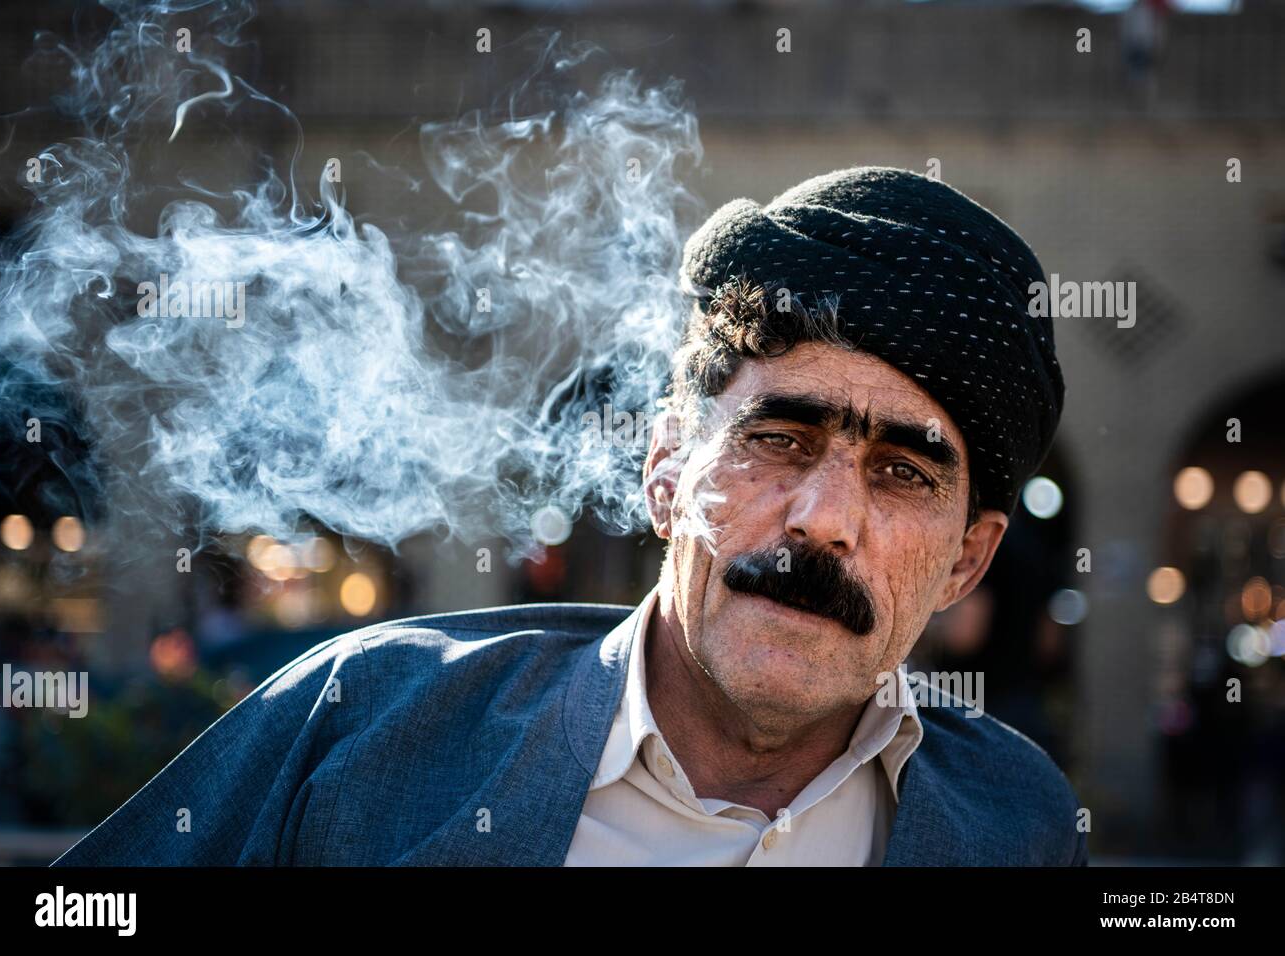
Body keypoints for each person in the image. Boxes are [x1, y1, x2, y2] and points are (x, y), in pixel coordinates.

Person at [53, 166, 1084, 866]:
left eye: (902, 473)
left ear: (965, 560)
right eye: (779, 439)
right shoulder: (362, 725)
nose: (821, 520)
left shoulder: (1015, 821)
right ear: (669, 464)